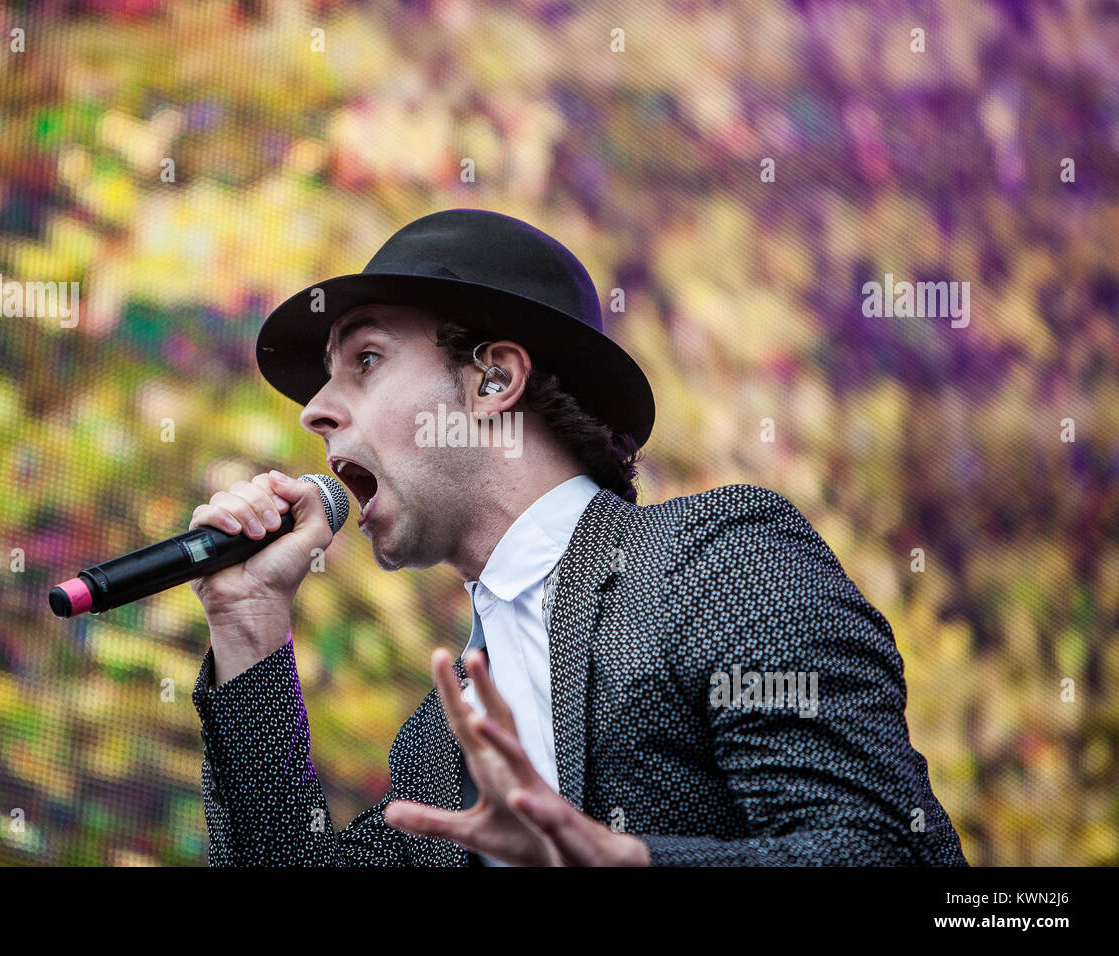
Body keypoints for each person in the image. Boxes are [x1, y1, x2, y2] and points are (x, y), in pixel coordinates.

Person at [187, 208, 968, 866]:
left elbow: (878, 849)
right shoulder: (434, 747)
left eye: (365, 359)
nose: (314, 411)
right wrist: (248, 624)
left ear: (494, 379)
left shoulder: (714, 560)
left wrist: (623, 863)